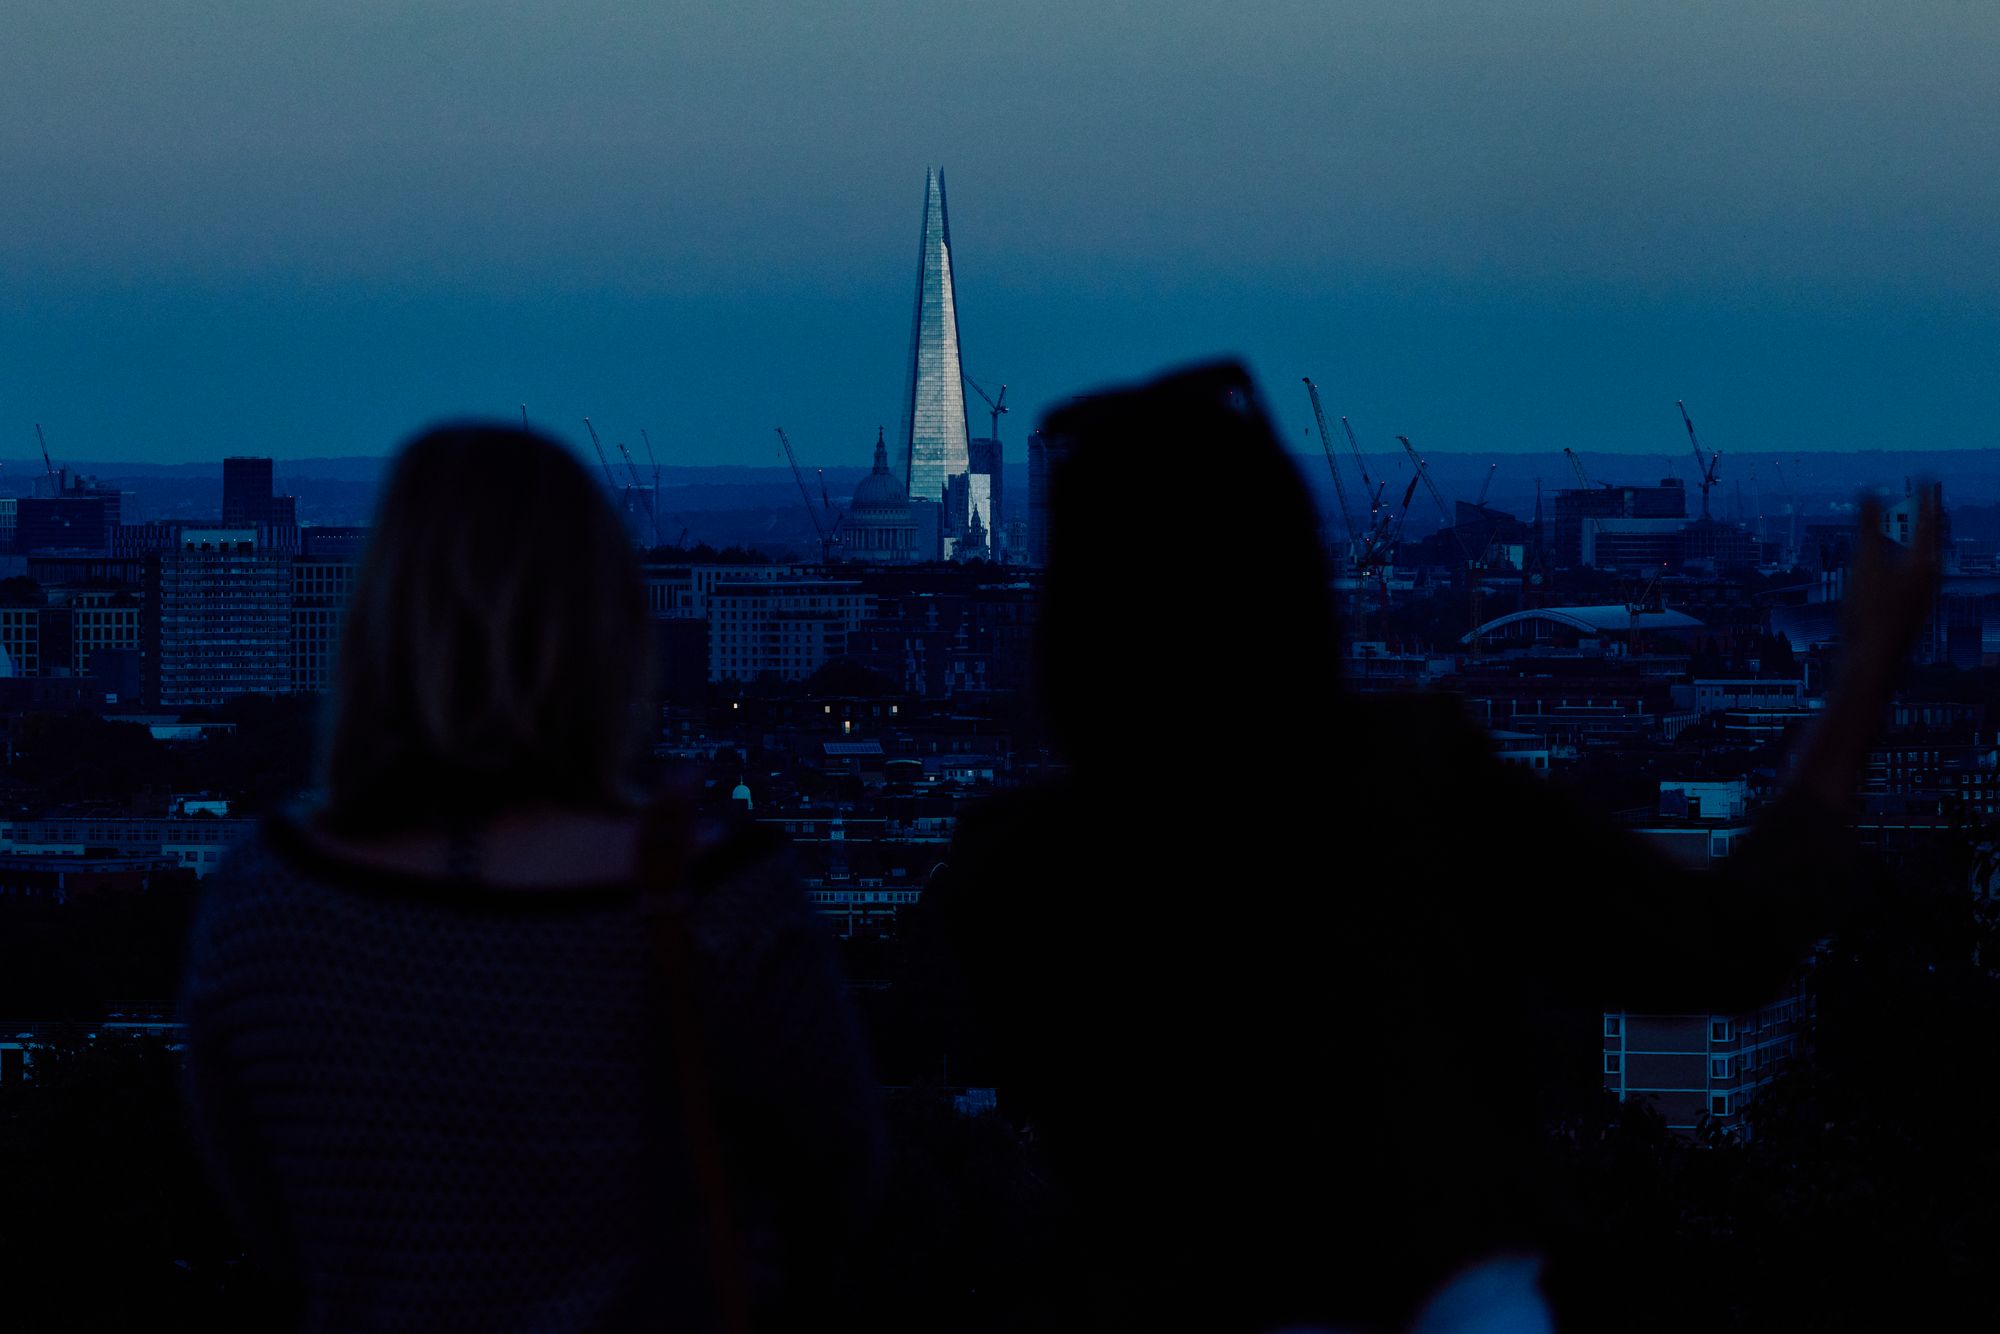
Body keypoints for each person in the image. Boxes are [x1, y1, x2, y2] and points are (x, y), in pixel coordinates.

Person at [927, 362, 1939, 1332]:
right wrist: (1864, 668)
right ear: (1289, 585)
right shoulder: (1412, 783)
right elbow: (1730, 943)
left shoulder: (1011, 878)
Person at [180, 424, 883, 1332]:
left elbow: (270, 1224)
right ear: (607, 624)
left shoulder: (263, 901)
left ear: (376, 621)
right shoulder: (725, 901)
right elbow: (840, 1197)